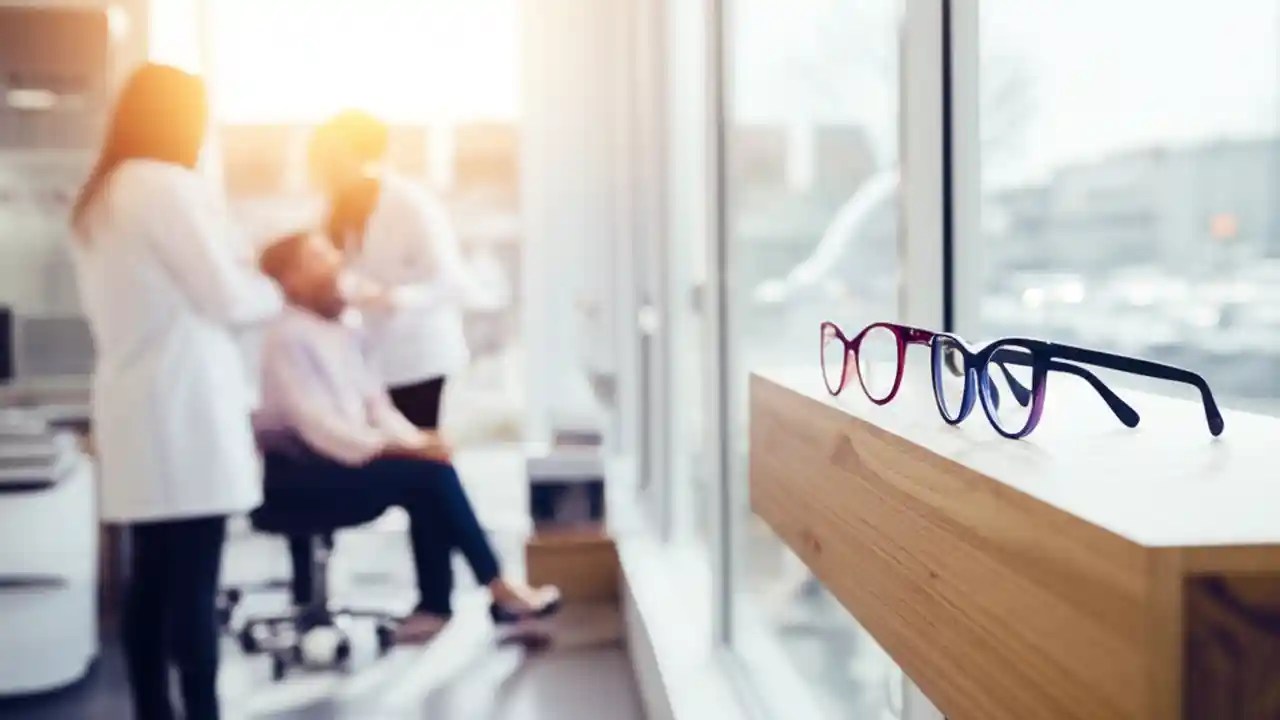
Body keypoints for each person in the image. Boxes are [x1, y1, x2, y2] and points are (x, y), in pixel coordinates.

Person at [70, 64, 282, 720]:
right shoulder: (165, 186)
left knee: (151, 581)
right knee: (191, 580)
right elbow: (228, 296)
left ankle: (153, 711)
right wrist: (269, 285)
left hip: (137, 406)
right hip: (183, 410)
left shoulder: (101, 195)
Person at [254, 233, 559, 642]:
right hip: (299, 479)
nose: (333, 263)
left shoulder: (344, 328)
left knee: (429, 467)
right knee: (426, 475)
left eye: (330, 252)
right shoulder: (285, 337)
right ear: (290, 279)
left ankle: (441, 605)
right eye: (317, 258)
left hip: (344, 463)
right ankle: (493, 590)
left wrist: (418, 442)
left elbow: (377, 406)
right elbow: (319, 427)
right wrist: (398, 448)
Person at [307, 110, 473, 431]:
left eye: (333, 157)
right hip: (367, 360)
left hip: (418, 357)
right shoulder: (333, 209)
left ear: (361, 156)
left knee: (415, 461)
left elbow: (451, 282)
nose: (324, 168)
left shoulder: (411, 205)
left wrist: (394, 297)